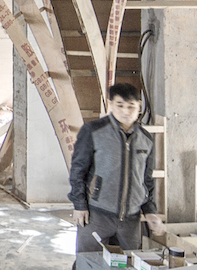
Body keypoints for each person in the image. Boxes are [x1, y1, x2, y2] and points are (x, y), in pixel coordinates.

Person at [67, 81, 164, 254]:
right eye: (120, 105)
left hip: (130, 220)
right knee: (89, 262)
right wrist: (79, 205)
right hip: (97, 214)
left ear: (139, 106)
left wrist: (150, 211)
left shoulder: (145, 139)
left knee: (128, 264)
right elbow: (78, 170)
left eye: (131, 106)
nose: (126, 111)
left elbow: (146, 179)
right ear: (111, 104)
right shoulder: (93, 131)